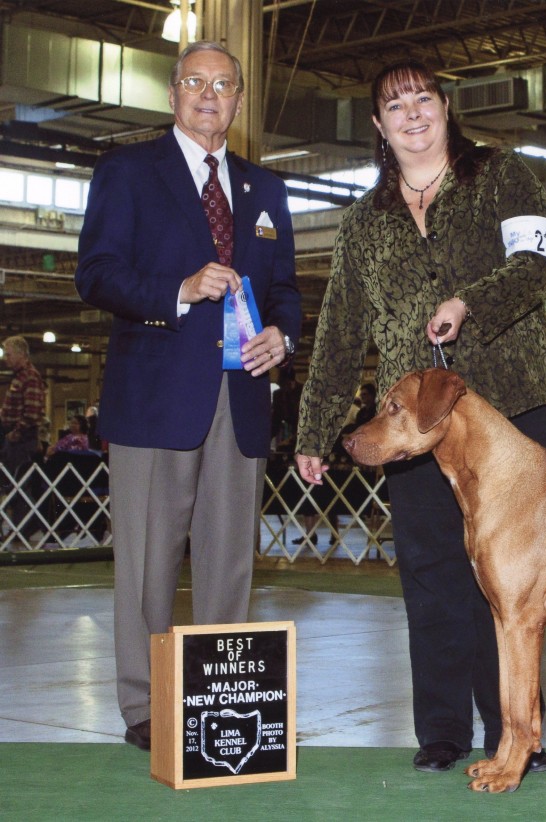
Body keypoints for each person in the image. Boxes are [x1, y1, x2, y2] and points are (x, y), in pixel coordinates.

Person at [293, 60, 546, 774]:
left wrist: (472, 302)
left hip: (512, 416)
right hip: (415, 433)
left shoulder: (505, 176)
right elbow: (341, 333)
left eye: (422, 99)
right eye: (393, 105)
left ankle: (519, 734)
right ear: (379, 127)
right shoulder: (361, 224)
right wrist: (316, 432)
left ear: (445, 108)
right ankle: (441, 732)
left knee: (512, 588)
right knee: (434, 576)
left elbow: (540, 265)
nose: (410, 112)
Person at [75, 40, 302, 752]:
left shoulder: (266, 190)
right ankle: (144, 707)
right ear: (173, 94)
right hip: (153, 401)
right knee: (145, 565)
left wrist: (281, 339)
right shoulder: (127, 172)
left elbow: (288, 290)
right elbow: (97, 274)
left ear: (238, 101)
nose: (210, 95)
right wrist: (177, 291)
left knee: (230, 561)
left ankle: (217, 700)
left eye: (224, 85)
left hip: (241, 402)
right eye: (196, 83)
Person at [0, 335, 47, 480]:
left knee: (18, 484)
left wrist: (17, 431)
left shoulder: (30, 377)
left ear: (21, 354)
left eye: (9, 354)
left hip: (21, 439)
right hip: (14, 436)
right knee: (13, 484)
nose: (5, 358)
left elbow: (32, 412)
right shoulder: (19, 377)